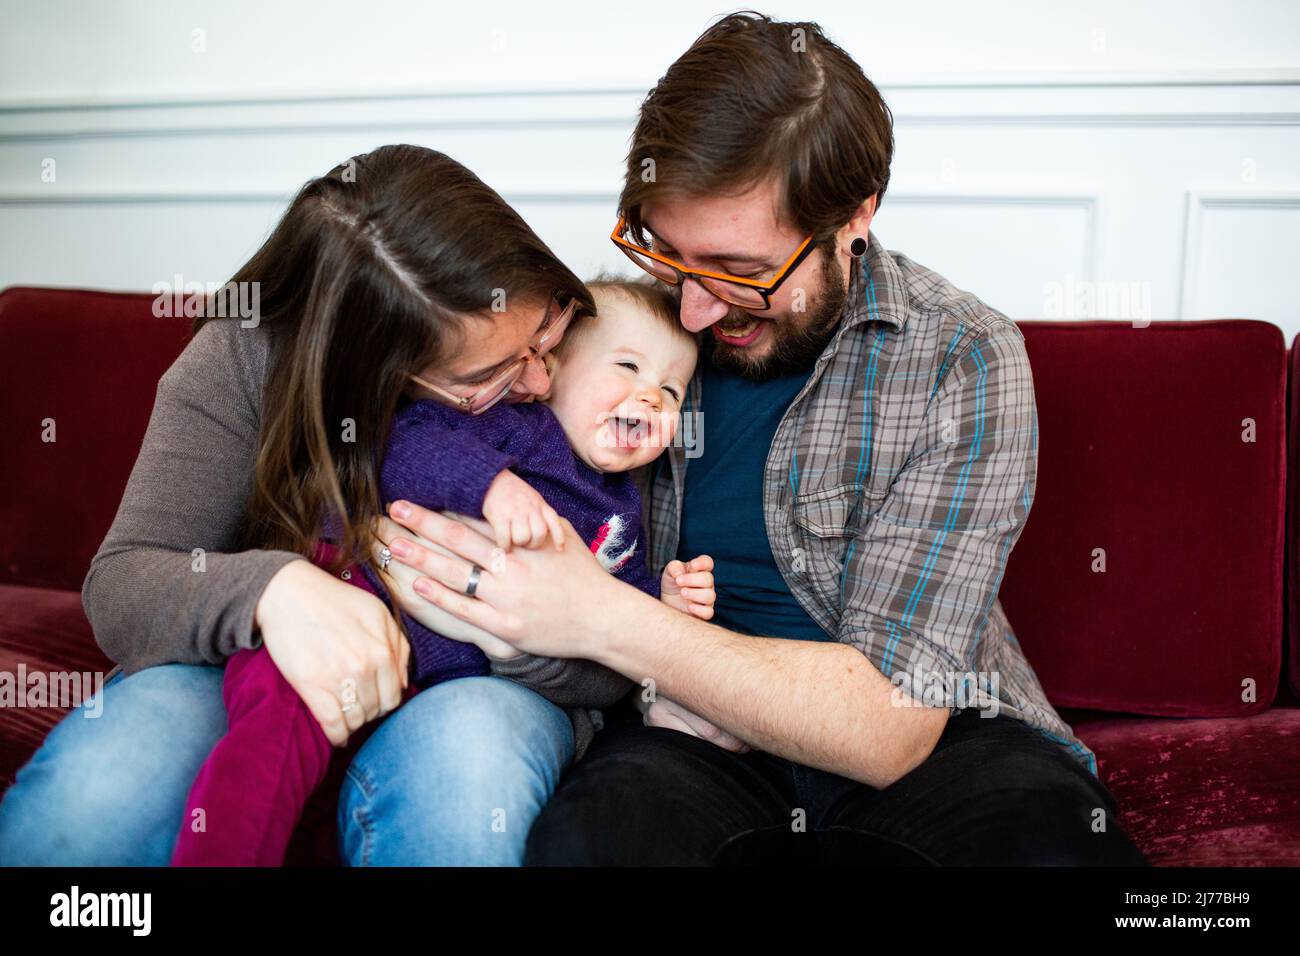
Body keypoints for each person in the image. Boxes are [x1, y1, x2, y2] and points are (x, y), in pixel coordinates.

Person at [373, 13, 1150, 865]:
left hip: (939, 743)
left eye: (740, 273)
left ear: (857, 215)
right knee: (593, 846)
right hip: (685, 734)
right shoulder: (610, 334)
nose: (693, 311)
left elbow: (887, 727)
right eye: (670, 255)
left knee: (1053, 851)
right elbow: (395, 384)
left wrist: (596, 613)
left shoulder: (961, 355)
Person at [0, 145, 621, 866]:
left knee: (463, 781)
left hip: (480, 689)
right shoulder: (245, 356)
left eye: (545, 332)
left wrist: (513, 638)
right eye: (488, 376)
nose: (542, 383)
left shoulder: (601, 372)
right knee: (96, 797)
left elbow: (625, 646)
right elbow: (122, 586)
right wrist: (275, 591)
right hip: (252, 675)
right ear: (377, 370)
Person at [170, 279, 713, 866]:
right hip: (346, 605)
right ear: (550, 370)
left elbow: (614, 620)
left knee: (337, 802)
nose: (650, 397)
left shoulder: (622, 510)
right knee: (272, 754)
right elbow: (400, 444)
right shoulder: (512, 426)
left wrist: (663, 605)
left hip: (434, 678)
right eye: (628, 367)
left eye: (671, 390)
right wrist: (490, 484)